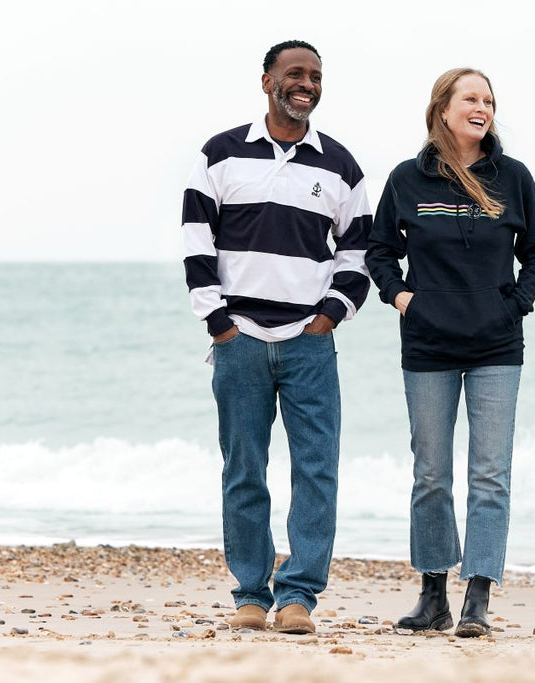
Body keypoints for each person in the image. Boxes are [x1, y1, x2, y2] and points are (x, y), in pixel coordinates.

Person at [180, 40, 371, 635]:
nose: (306, 84)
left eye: (315, 76)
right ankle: (250, 595)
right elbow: (196, 241)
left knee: (317, 470)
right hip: (239, 341)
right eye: (294, 73)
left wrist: (330, 316)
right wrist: (219, 324)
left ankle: (298, 598)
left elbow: (359, 251)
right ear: (267, 81)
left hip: (310, 343)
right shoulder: (221, 154)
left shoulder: (339, 165)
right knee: (244, 470)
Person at [365, 68, 535, 637]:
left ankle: (478, 598)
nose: (483, 108)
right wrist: (402, 298)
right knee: (430, 474)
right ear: (443, 109)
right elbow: (380, 251)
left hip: (497, 345)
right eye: (471, 98)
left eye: (489, 100)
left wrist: (513, 305)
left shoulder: (513, 178)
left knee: (490, 475)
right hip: (428, 345)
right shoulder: (407, 179)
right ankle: (433, 598)